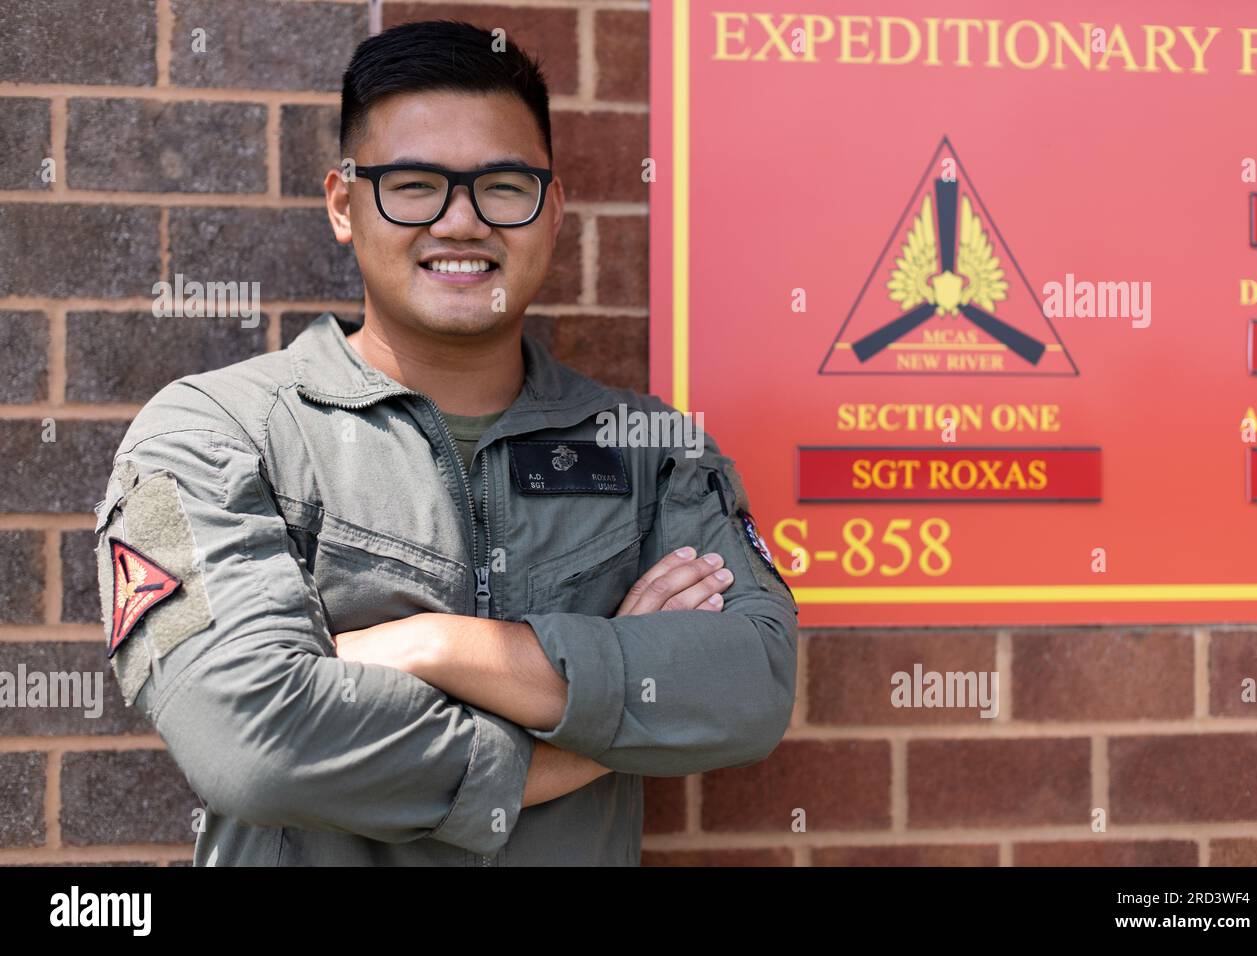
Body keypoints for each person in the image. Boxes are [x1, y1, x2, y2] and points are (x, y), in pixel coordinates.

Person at [93, 18, 798, 866]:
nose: (462, 223)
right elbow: (255, 743)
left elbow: (750, 686)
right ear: (344, 205)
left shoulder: (654, 453)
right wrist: (591, 719)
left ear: (553, 209)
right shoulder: (213, 436)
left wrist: (433, 646)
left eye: (503, 186)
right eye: (415, 184)